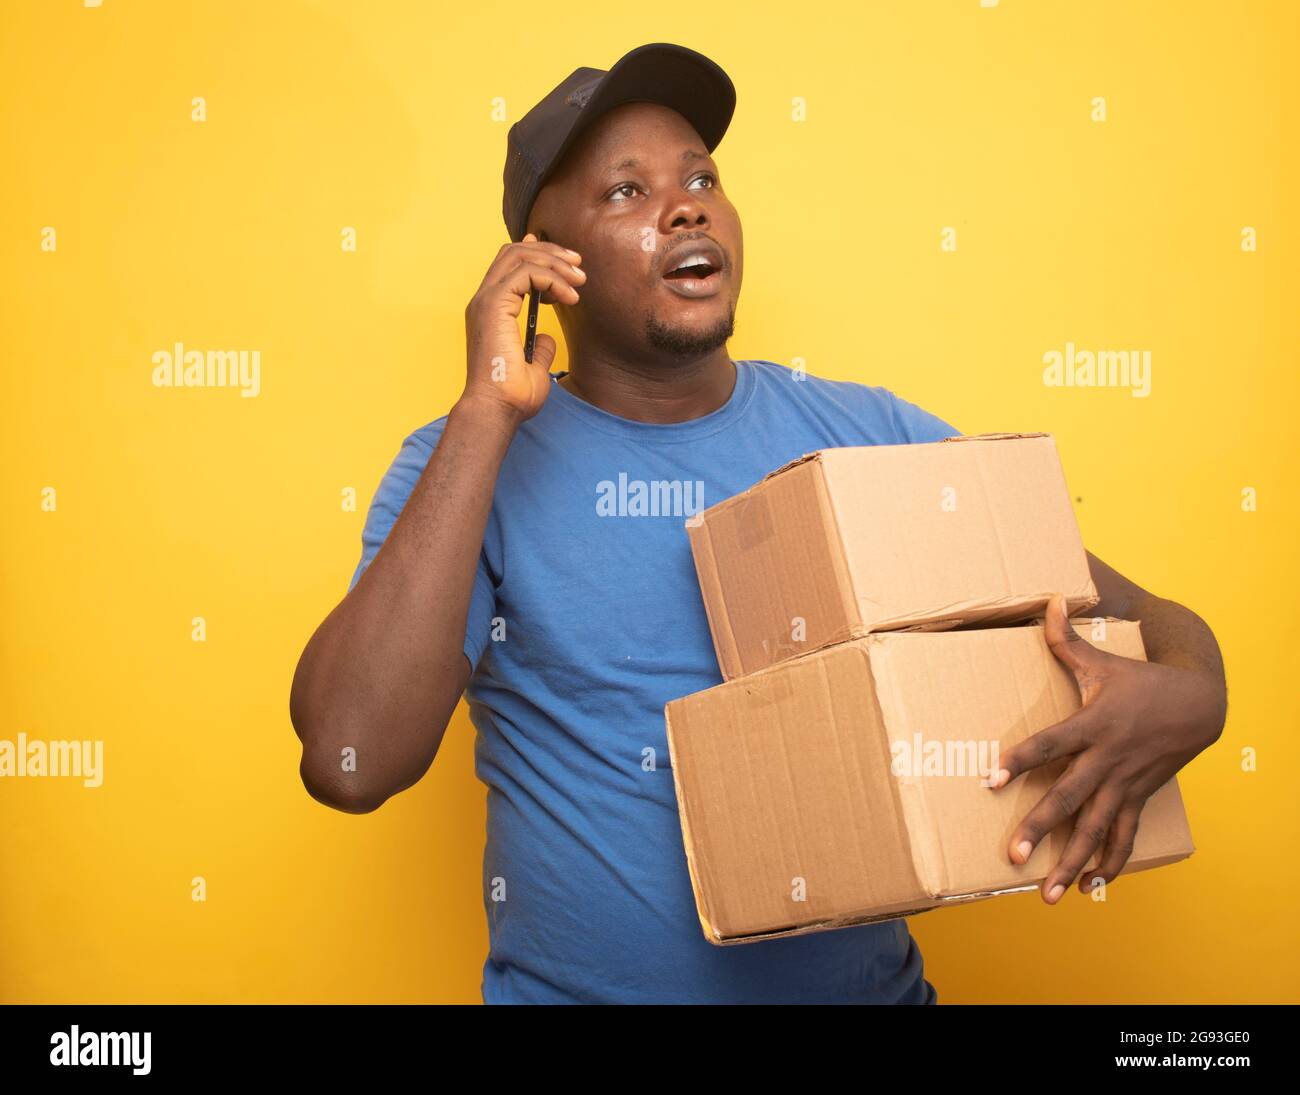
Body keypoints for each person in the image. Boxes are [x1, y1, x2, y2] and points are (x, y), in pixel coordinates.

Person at [289, 43, 1227, 1004]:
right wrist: (485, 412)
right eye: (625, 191)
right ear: (541, 264)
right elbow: (349, 756)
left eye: (702, 177)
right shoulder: (465, 464)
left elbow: (1147, 617)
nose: (686, 204)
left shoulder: (867, 433)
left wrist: (1198, 693)